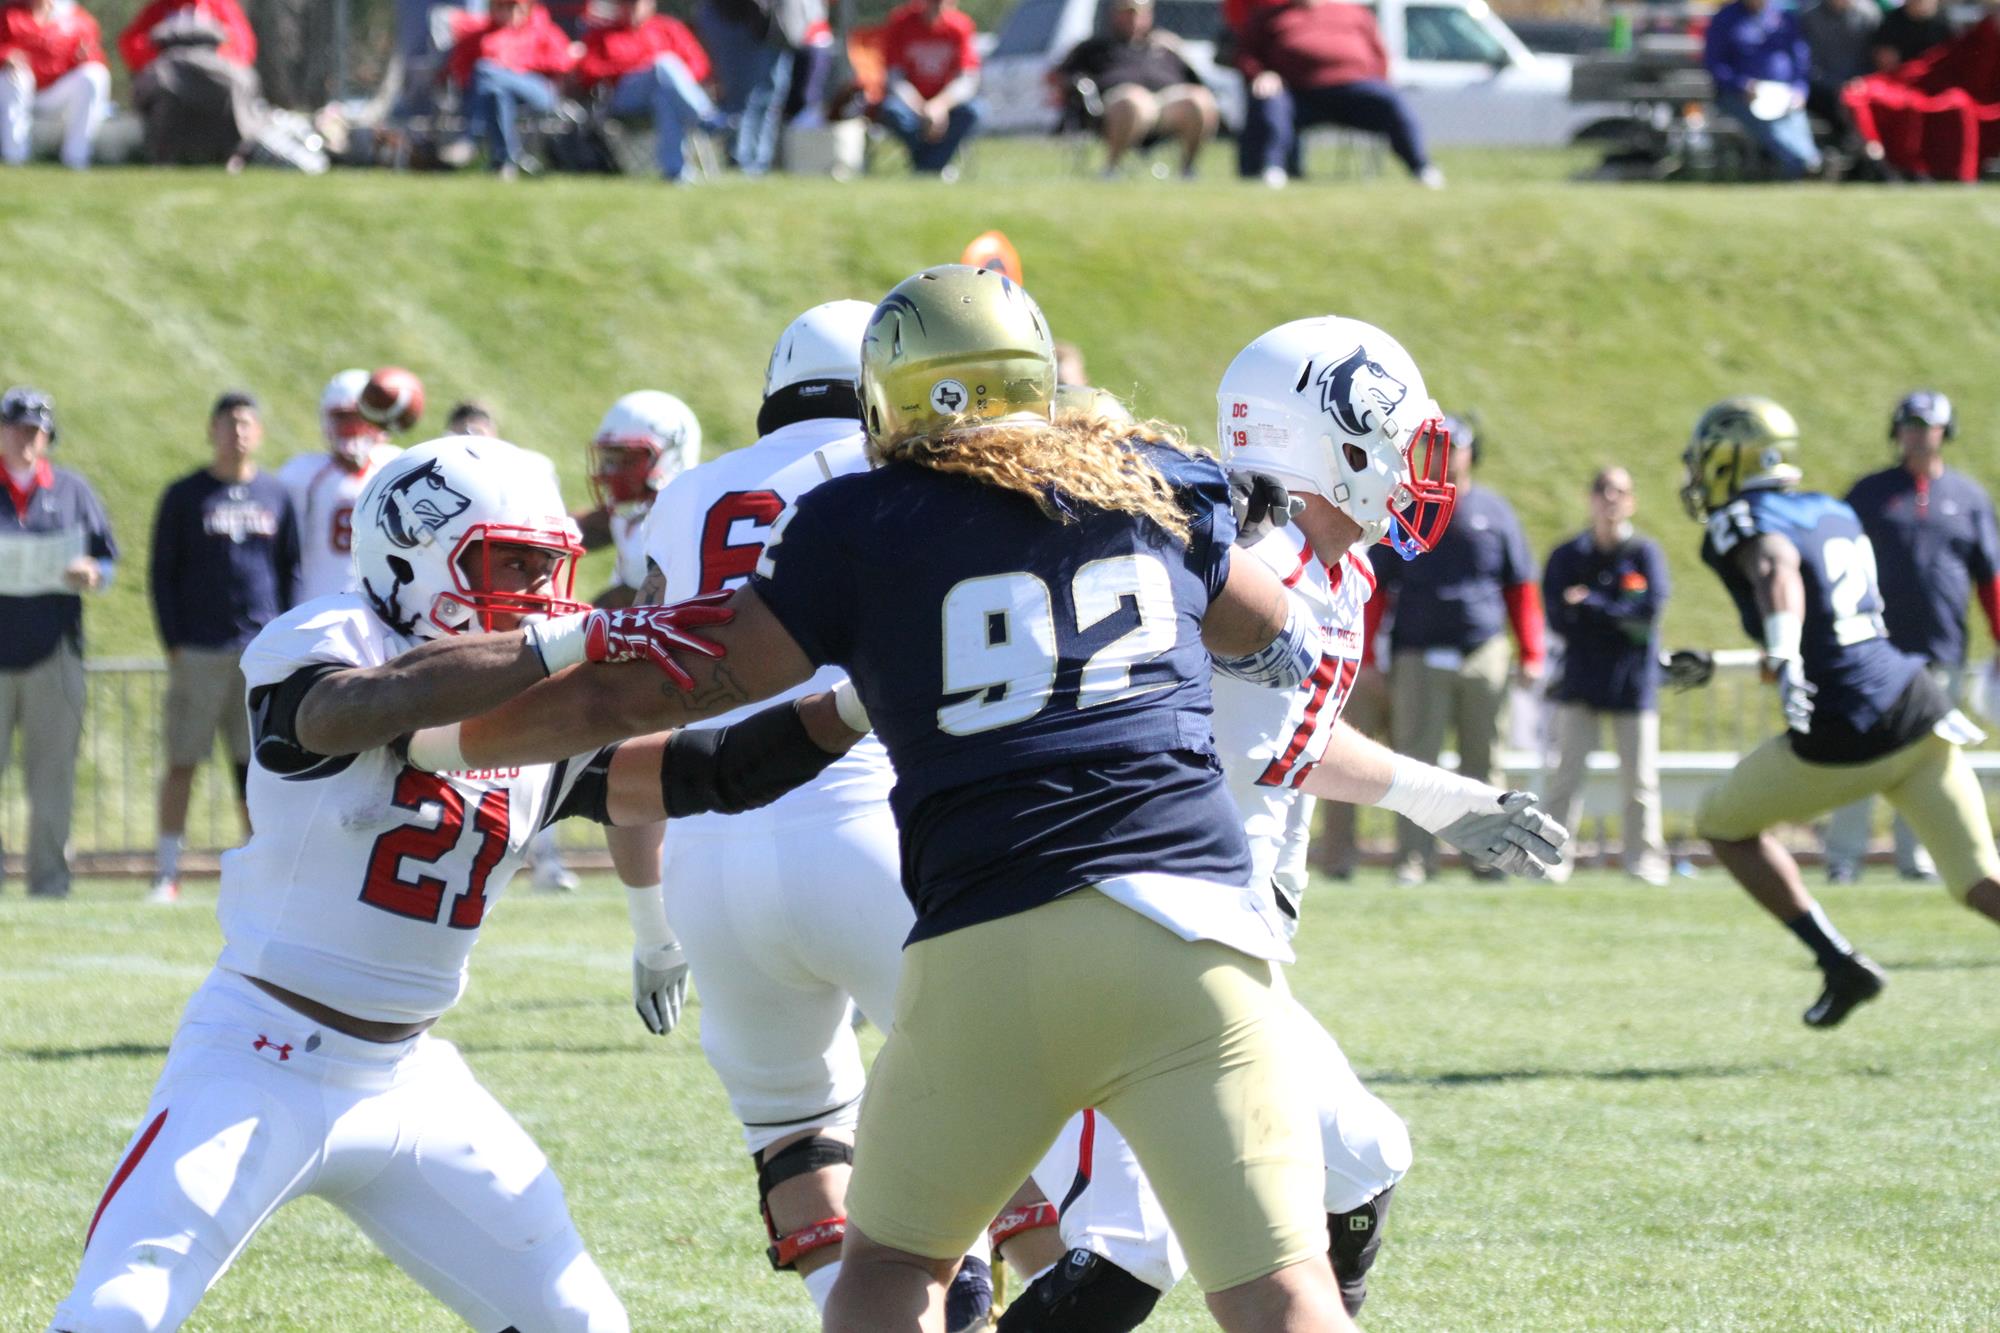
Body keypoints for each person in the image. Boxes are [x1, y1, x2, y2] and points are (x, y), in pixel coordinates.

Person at [449, 265, 1376, 1331]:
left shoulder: (857, 517)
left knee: (890, 1266)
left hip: (991, 931)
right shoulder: (1152, 477)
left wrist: (454, 738)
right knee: (1280, 1288)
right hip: (1192, 929)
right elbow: (1273, 637)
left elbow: (689, 681)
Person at [47, 433, 858, 1332]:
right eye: (508, 563)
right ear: (413, 555)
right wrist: (574, 638)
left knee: (585, 1324)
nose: (538, 595)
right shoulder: (334, 638)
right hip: (258, 1055)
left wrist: (853, 704)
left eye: (549, 569)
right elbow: (343, 714)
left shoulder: (538, 717)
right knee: (118, 1312)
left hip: (408, 1077)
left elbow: (709, 770)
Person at [996, 320, 1565, 1332]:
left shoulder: (1323, 564)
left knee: (1360, 1159)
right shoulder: (1245, 559)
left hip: (1220, 939)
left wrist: (1442, 800)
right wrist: (1441, 800)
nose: (1414, 470)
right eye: (1398, 443)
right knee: (1132, 1253)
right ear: (1332, 445)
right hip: (1129, 926)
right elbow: (1270, 747)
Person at [632, 299, 990, 1330]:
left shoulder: (688, 493)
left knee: (793, 1130)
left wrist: (650, 926)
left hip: (706, 849)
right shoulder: (893, 472)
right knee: (1001, 1099)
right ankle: (980, 1301)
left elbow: (658, 676)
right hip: (861, 817)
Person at [1679, 396, 2000, 1029]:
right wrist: (1736, 662)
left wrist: (1784, 653)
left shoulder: (1746, 519)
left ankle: (1838, 962)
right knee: (1978, 883)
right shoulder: (1830, 508)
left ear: (1730, 458)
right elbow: (1837, 630)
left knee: (1721, 823)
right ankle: (1842, 967)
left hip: (1852, 726)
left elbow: (1779, 570)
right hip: (1917, 706)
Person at [1825, 391, 2000, 883]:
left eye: (1928, 425)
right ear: (1897, 431)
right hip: (1872, 648)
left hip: (1942, 651)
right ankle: (1843, 858)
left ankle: (1916, 858)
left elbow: (1990, 578)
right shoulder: (1869, 493)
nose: (1919, 434)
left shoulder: (1968, 499)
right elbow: (1832, 562)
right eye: (1910, 425)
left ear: (1946, 431)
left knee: (1927, 757)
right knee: (1861, 750)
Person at [1371, 416, 1545, 885]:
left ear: (1471, 454)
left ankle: (1488, 858)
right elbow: (1378, 585)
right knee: (1415, 761)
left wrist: (1532, 650)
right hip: (1419, 652)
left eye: (1455, 447)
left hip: (1481, 649)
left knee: (1484, 760)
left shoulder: (1495, 511)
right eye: (1437, 446)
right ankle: (1413, 858)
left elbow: (1519, 587)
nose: (1446, 456)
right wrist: (1368, 654)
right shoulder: (1408, 508)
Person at [146, 391, 300, 906]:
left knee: (257, 767)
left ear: (258, 432)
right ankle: (167, 872)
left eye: (246, 423)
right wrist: (175, 642)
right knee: (182, 760)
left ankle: (263, 872)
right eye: (228, 423)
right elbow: (162, 575)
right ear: (210, 430)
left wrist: (285, 638)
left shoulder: (276, 494)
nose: (237, 432)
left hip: (259, 652)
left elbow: (289, 570)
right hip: (200, 650)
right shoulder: (185, 495)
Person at [0, 387, 115, 900]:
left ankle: (49, 884)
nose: (26, 439)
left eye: (35, 430)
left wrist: (93, 573)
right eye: (17, 427)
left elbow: (107, 560)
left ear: (47, 436)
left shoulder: (74, 490)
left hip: (55, 650)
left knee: (53, 780)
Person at [1539, 467, 1671, 887]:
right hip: (1580, 680)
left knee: (1640, 781)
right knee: (1566, 776)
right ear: (1590, 498)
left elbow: (1645, 618)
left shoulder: (1644, 554)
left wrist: (1592, 605)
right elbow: (1559, 619)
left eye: (1620, 491)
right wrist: (1612, 613)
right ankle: (1552, 858)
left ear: (1631, 501)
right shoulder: (1569, 556)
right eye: (1603, 490)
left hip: (1632, 683)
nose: (1611, 499)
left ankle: (1644, 861)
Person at [1235, 0, 1441, 189]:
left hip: (1353, 91)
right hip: (1297, 94)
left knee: (1390, 101)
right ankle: (1271, 170)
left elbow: (1380, 56)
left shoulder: (1355, 13)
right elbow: (1247, 56)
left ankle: (1422, 168)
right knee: (1270, 102)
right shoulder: (1268, 17)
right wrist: (1261, 74)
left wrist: (1377, 79)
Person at [1051, 0, 1217, 177]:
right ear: (1114, 15)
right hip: (1118, 104)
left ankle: (1187, 169)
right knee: (1134, 100)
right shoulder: (1094, 47)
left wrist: (1178, 48)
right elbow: (1061, 76)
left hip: (1166, 105)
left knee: (1198, 99)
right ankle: (1111, 168)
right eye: (1128, 13)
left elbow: (1196, 81)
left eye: (1140, 13)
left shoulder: (1165, 46)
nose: (1134, 19)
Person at [278, 370, 402, 604]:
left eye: (359, 417)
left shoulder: (394, 467)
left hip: (383, 604)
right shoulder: (301, 475)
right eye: (343, 418)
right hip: (318, 601)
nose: (352, 427)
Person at [576, 0, 728, 182]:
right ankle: (705, 116)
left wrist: (674, 82)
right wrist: (635, 68)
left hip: (667, 97)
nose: (632, 8)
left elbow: (699, 64)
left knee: (664, 95)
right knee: (662, 64)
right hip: (623, 99)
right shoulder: (601, 34)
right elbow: (588, 71)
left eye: (637, 4)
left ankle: (676, 173)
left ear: (651, 4)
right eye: (627, 4)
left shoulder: (669, 27)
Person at [117, 0, 263, 166]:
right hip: (172, 72)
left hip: (214, 73)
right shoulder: (158, 9)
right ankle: (163, 155)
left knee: (236, 82)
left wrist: (210, 61)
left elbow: (242, 45)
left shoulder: (221, 6)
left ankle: (235, 153)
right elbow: (133, 43)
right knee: (163, 82)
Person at [447, 0, 579, 178]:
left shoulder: (543, 30)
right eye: (501, 6)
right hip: (496, 97)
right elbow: (459, 69)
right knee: (496, 92)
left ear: (526, 9)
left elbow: (564, 62)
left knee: (485, 69)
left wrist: (516, 67)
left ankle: (471, 138)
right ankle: (505, 163)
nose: (507, 12)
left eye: (512, 7)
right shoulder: (480, 36)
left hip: (539, 91)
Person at [1703, 0, 1822, 178]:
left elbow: (1800, 60)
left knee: (1794, 124)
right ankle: (1806, 166)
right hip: (1740, 96)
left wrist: (1800, 91)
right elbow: (1714, 63)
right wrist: (1742, 85)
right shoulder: (1725, 18)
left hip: (1786, 93)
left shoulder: (1784, 17)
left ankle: (1811, 164)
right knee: (1774, 130)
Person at [0, 0, 111, 170]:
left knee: (95, 74)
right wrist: (6, 55)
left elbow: (94, 56)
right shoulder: (8, 14)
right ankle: (15, 157)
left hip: (55, 93)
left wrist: (85, 56)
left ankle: (76, 158)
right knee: (16, 76)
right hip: (17, 90)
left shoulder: (76, 18)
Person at [878, 0, 984, 175]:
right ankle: (934, 166)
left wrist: (939, 106)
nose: (939, 6)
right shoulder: (901, 22)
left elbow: (967, 80)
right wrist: (923, 109)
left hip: (947, 105)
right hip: (910, 105)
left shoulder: (960, 25)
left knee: (974, 111)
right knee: (892, 111)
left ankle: (927, 167)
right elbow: (895, 78)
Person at [1798, 0, 1879, 131]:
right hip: (1824, 87)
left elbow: (1876, 56)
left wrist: (1860, 82)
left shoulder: (1868, 13)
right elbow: (1809, 62)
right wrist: (1837, 84)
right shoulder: (1810, 17)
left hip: (1863, 84)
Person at [1872, 0, 1955, 72]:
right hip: (1898, 79)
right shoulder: (1891, 22)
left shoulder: (1944, 25)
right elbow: (1884, 59)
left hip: (1932, 78)